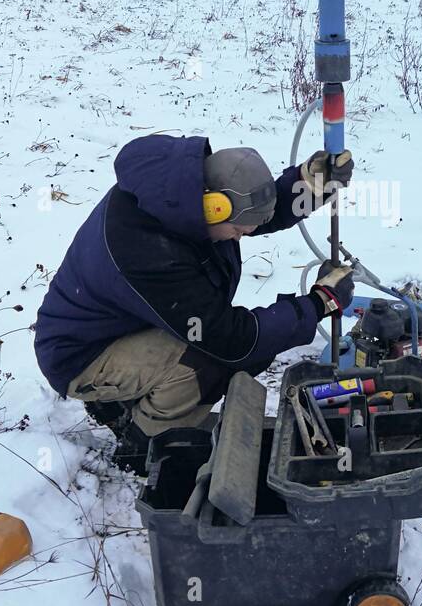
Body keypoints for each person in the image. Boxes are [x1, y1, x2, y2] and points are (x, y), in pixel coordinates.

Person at [33, 132, 354, 471]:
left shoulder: (179, 200)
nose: (243, 237)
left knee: (206, 350)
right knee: (205, 364)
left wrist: (308, 185)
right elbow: (230, 338)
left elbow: (253, 216)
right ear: (213, 209)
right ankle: (145, 447)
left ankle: (124, 401)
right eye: (237, 233)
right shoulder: (147, 253)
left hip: (122, 326)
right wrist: (320, 303)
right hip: (80, 355)